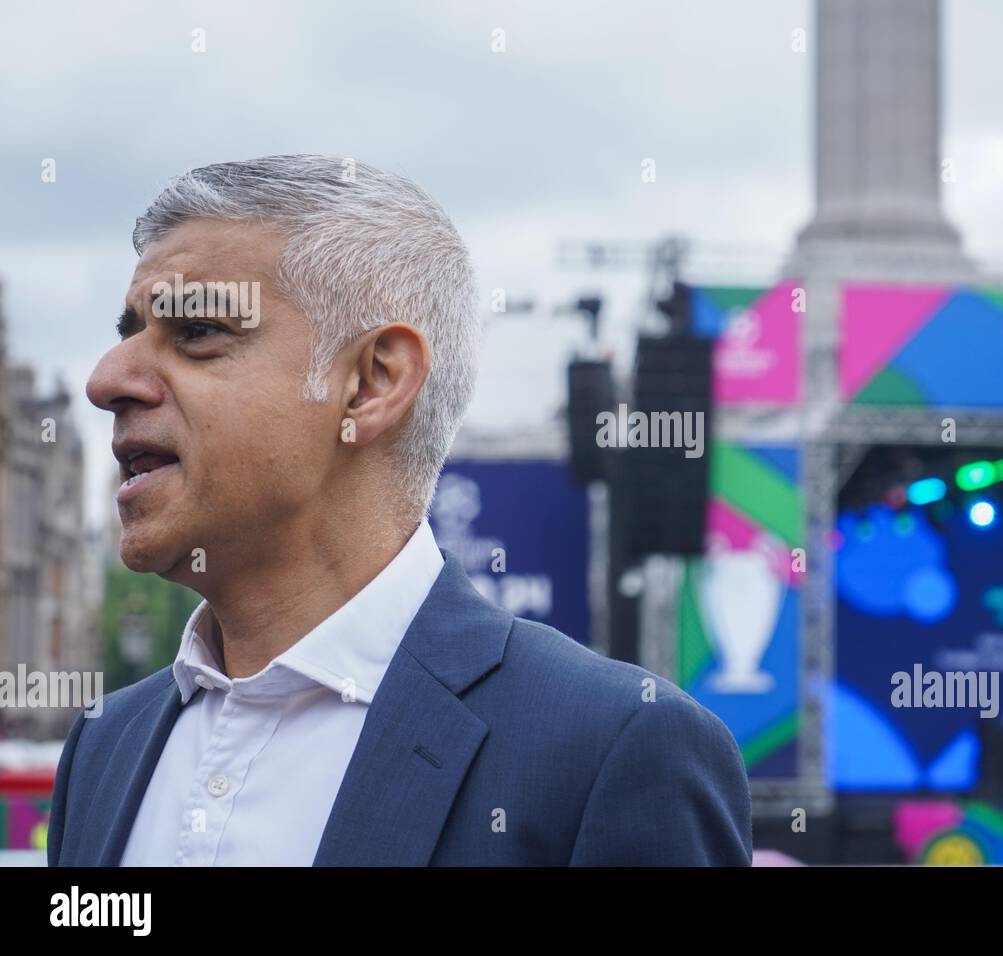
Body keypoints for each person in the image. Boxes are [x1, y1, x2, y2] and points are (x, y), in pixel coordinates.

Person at [48, 155, 752, 866]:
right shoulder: (105, 748)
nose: (108, 380)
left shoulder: (613, 752)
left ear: (371, 384)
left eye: (196, 332)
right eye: (128, 333)